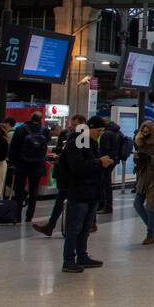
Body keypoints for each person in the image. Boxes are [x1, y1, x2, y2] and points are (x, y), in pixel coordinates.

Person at [61, 116, 112, 274]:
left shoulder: (91, 143)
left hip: (91, 191)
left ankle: (82, 256)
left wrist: (103, 164)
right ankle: (68, 260)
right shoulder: (76, 143)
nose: (100, 134)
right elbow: (77, 167)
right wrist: (99, 162)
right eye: (98, 130)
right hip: (79, 192)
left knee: (85, 228)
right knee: (74, 228)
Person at [33, 120, 76, 236]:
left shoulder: (79, 138)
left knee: (65, 201)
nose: (72, 126)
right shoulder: (73, 136)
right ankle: (52, 226)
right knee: (62, 200)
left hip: (71, 176)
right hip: (68, 175)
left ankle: (54, 226)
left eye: (75, 124)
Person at [7, 112, 49, 223]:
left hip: (22, 164)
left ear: (30, 118)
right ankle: (29, 216)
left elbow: (13, 148)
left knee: (19, 190)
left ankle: (18, 215)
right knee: (34, 190)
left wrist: (12, 163)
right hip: (38, 165)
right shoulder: (44, 130)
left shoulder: (20, 129)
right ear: (41, 119)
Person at [98, 120, 125, 214]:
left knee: (104, 183)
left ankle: (105, 205)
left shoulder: (106, 134)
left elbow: (103, 148)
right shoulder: (119, 133)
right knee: (107, 182)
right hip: (115, 159)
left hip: (106, 160)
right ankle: (106, 205)